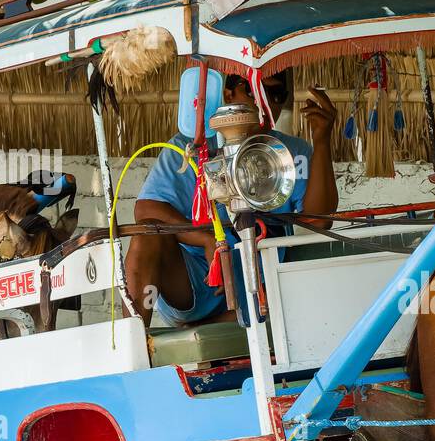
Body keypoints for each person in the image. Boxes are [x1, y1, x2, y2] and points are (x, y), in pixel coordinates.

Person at [126, 69, 338, 326]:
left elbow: (319, 221)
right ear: (228, 92)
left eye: (276, 94)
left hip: (258, 285)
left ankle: (221, 323)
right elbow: (147, 210)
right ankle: (135, 340)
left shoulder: (292, 152)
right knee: (145, 238)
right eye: (254, 90)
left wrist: (322, 140)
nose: (266, 101)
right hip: (197, 278)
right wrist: (206, 239)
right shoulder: (189, 147)